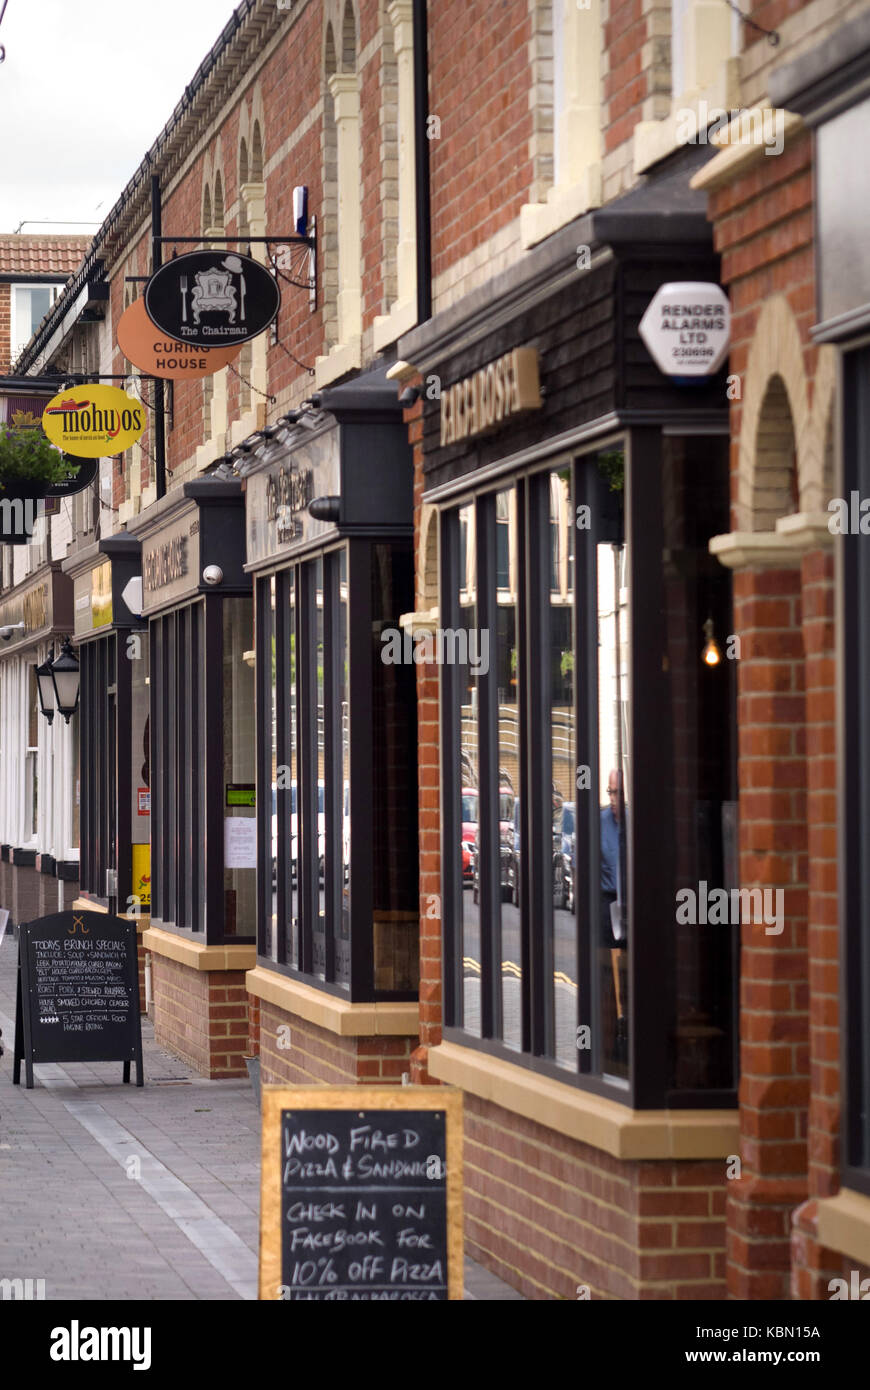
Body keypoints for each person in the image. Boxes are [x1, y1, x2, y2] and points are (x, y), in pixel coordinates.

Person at [600, 769, 627, 1062]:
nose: (613, 799)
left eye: (617, 792)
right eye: (610, 792)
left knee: (630, 973)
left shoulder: (634, 823)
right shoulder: (599, 823)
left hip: (631, 904)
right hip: (606, 904)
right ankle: (609, 1044)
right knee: (607, 975)